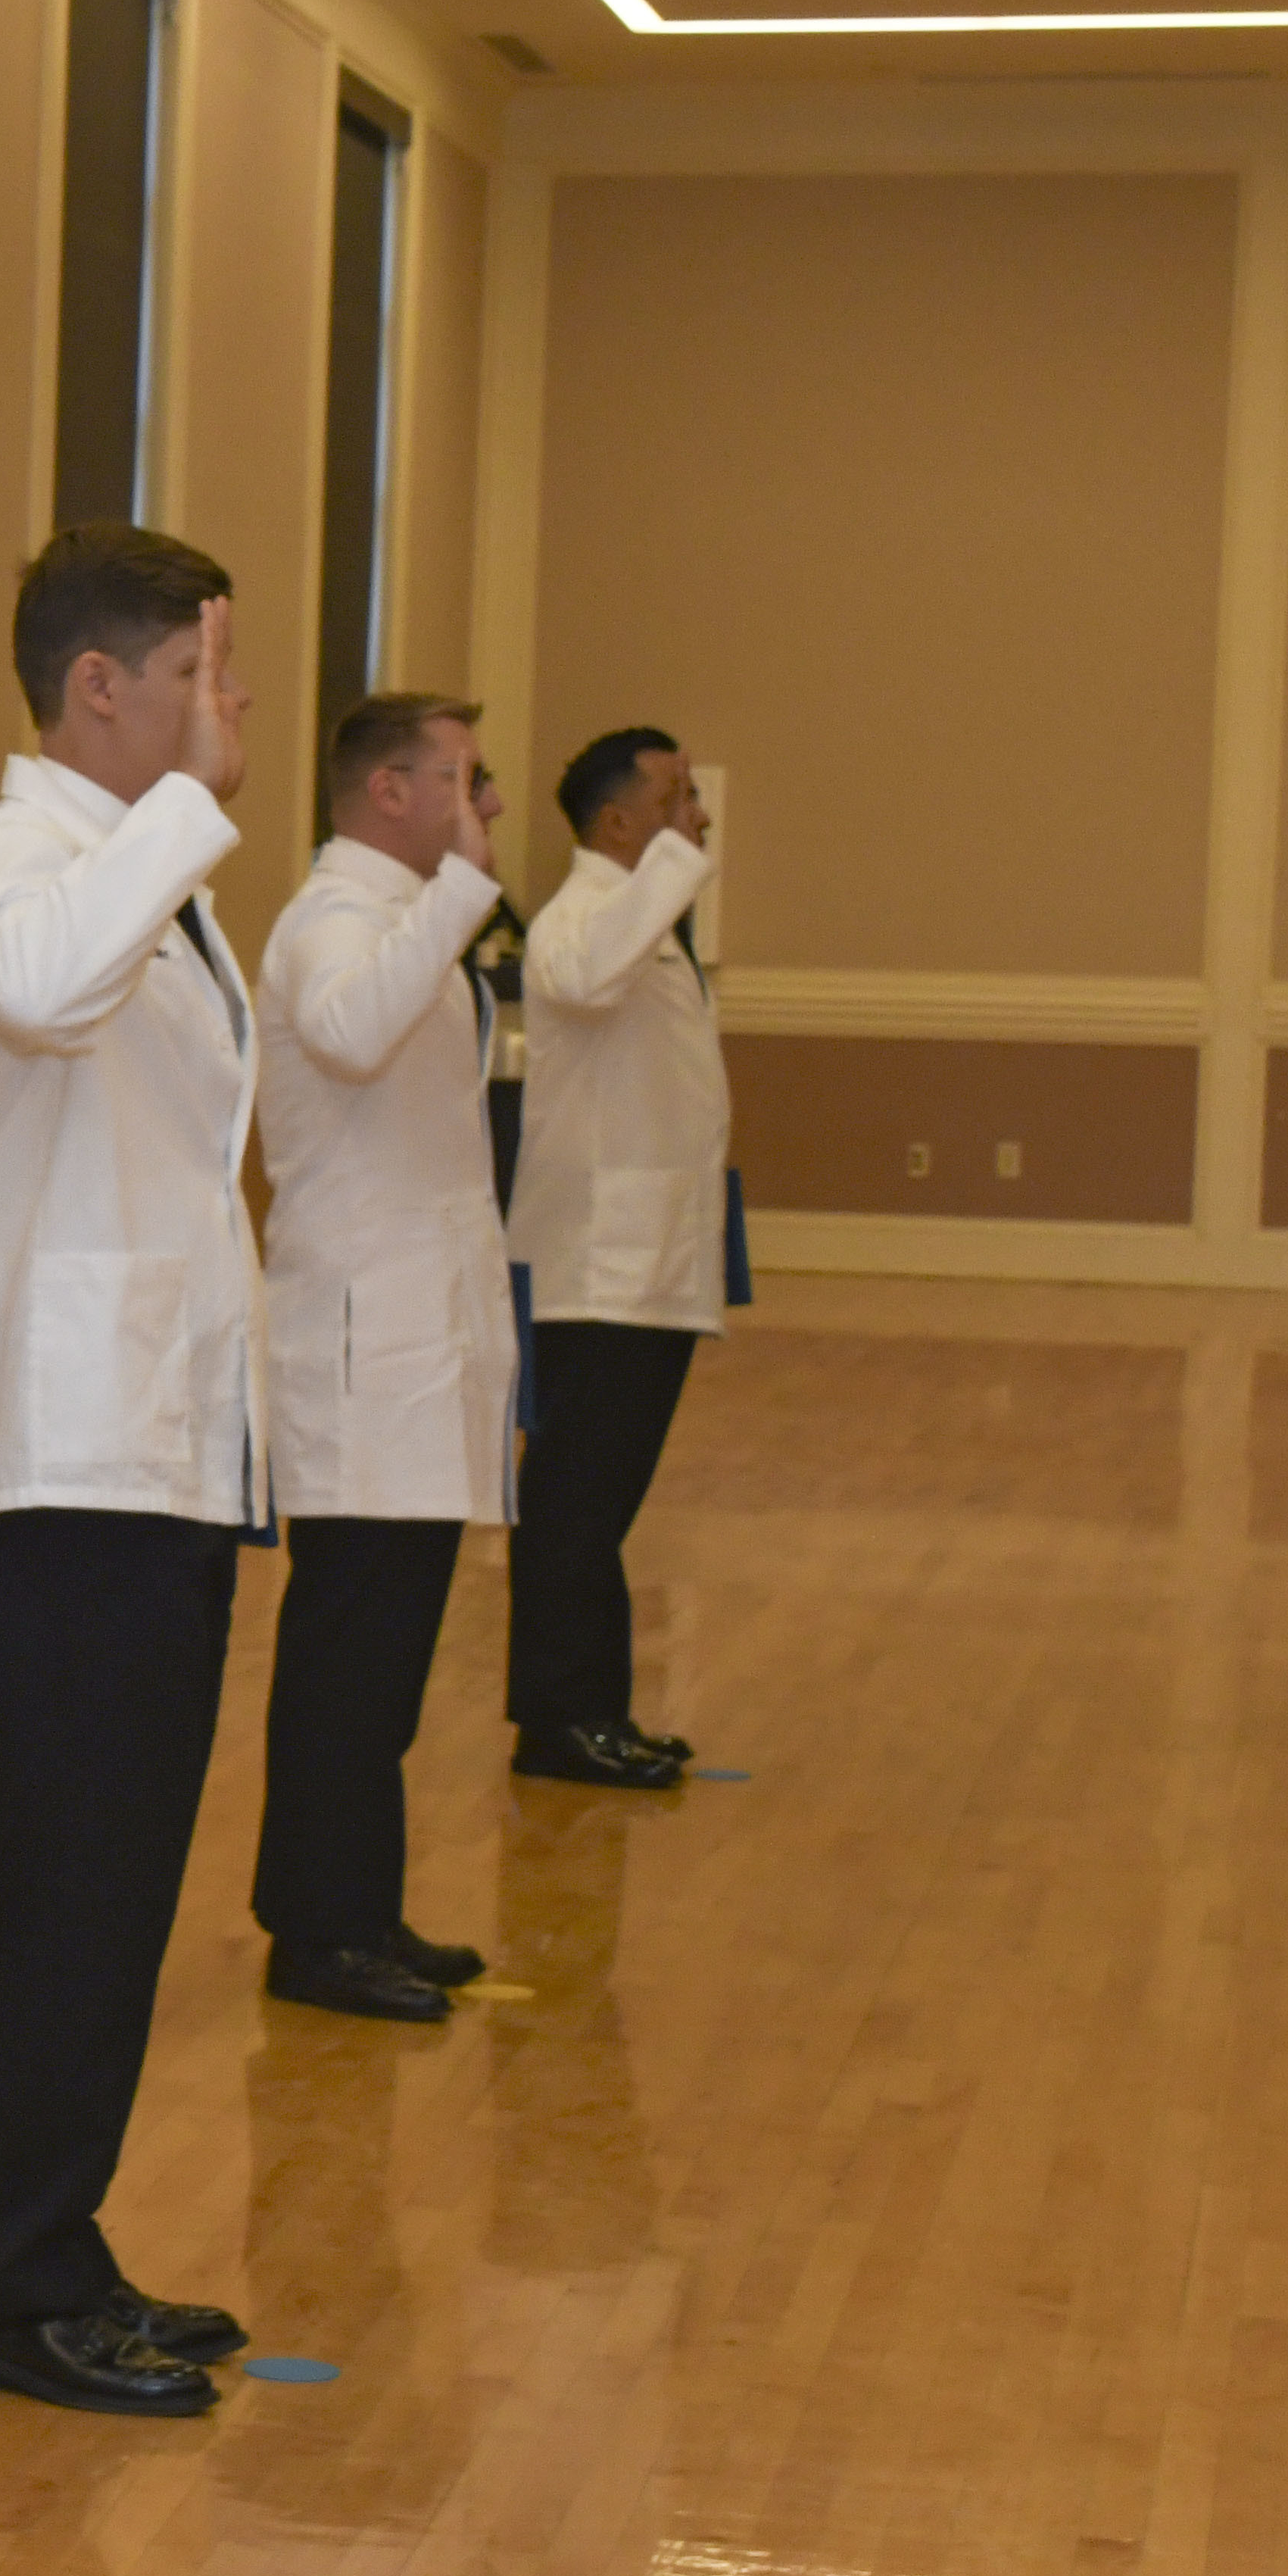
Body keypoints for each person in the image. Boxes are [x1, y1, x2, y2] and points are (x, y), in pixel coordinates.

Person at [0, 528, 270, 2420]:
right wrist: (189, 813)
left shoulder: (144, 881)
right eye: (205, 675)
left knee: (118, 1884)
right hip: (63, 1464)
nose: (232, 717)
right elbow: (46, 991)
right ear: (98, 691)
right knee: (70, 1879)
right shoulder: (12, 861)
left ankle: (54, 2245)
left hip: (154, 1453)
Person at [249, 694, 518, 2024]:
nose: (485, 804)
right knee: (348, 1661)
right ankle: (314, 1930)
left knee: (385, 1663)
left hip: (418, 1336)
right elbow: (351, 1031)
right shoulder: (331, 919)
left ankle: (356, 1903)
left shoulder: (406, 918)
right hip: (363, 1346)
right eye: (461, 779)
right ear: (388, 793)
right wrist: (462, 889)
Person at [502, 726, 728, 1788]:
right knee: (573, 1507)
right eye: (676, 797)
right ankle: (554, 1718)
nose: (697, 815)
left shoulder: (640, 921)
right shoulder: (577, 918)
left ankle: (595, 1706)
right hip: (595, 1271)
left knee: (605, 1507)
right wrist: (678, 870)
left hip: (649, 1266)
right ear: (615, 822)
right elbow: (587, 979)